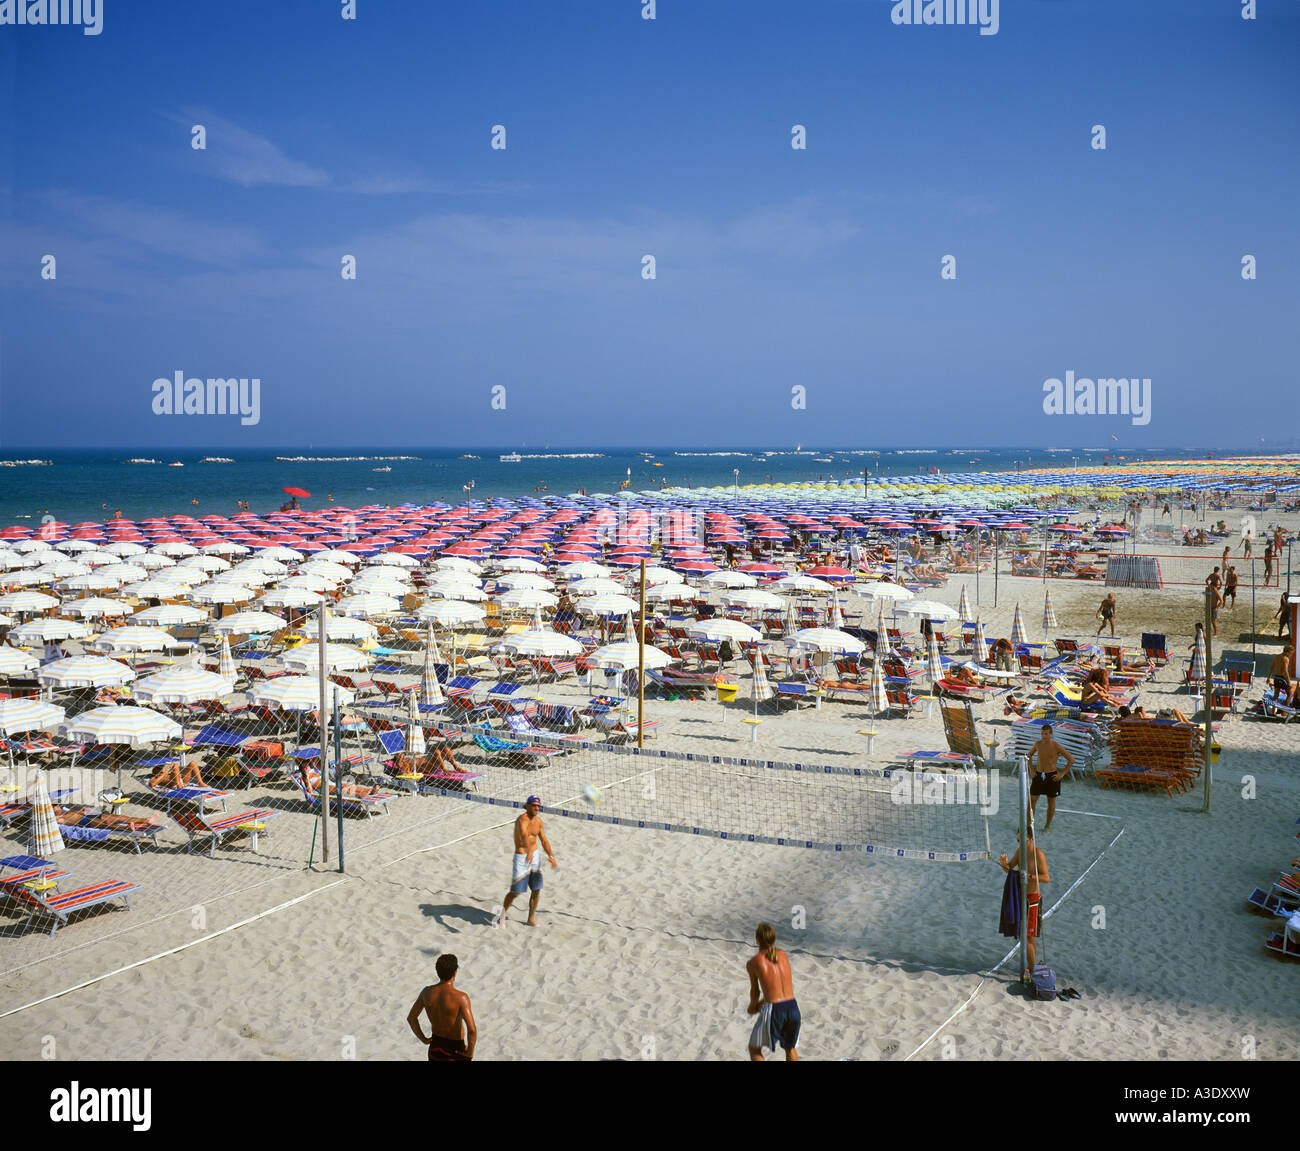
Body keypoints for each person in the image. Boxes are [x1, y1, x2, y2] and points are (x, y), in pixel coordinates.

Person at [495, 795, 556, 927]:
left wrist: (551, 856)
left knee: (536, 889)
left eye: (538, 806)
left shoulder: (538, 821)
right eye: (534, 805)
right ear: (527, 806)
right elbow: (523, 837)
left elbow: (544, 840)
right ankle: (502, 915)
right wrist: (528, 852)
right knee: (516, 892)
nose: (536, 808)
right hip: (522, 857)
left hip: (534, 856)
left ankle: (531, 919)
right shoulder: (522, 820)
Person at [746, 922, 800, 1061]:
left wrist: (753, 1006)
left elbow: (755, 991)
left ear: (757, 940)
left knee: (754, 1048)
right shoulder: (783, 956)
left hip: (774, 1010)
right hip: (793, 1007)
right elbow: (778, 990)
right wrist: (761, 1003)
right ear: (773, 939)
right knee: (790, 1048)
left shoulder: (754, 962)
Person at [407, 954, 476, 1061]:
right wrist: (470, 1053)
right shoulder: (461, 998)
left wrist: (424, 1039)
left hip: (435, 1048)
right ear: (455, 972)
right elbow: (472, 1030)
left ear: (437, 972)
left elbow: (411, 1018)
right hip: (456, 1049)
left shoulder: (426, 993)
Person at [999, 832, 1049, 978]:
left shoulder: (1038, 855)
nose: (1020, 843)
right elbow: (1010, 869)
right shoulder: (1020, 851)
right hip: (1021, 897)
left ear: (1032, 839)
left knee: (1026, 936)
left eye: (1023, 840)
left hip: (1032, 900)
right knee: (1028, 937)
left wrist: (1028, 877)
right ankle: (1032, 969)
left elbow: (1046, 878)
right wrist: (1004, 864)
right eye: (1018, 840)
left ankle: (1033, 971)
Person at [1026, 725, 1073, 833]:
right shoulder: (1038, 744)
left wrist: (1062, 774)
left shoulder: (1056, 746)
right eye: (1042, 733)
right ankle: (1029, 824)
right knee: (1031, 801)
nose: (1044, 736)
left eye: (1046, 734)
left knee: (1051, 802)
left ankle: (1047, 826)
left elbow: (1071, 760)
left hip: (1052, 776)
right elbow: (1028, 756)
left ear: (1051, 734)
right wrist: (1031, 770)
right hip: (1038, 774)